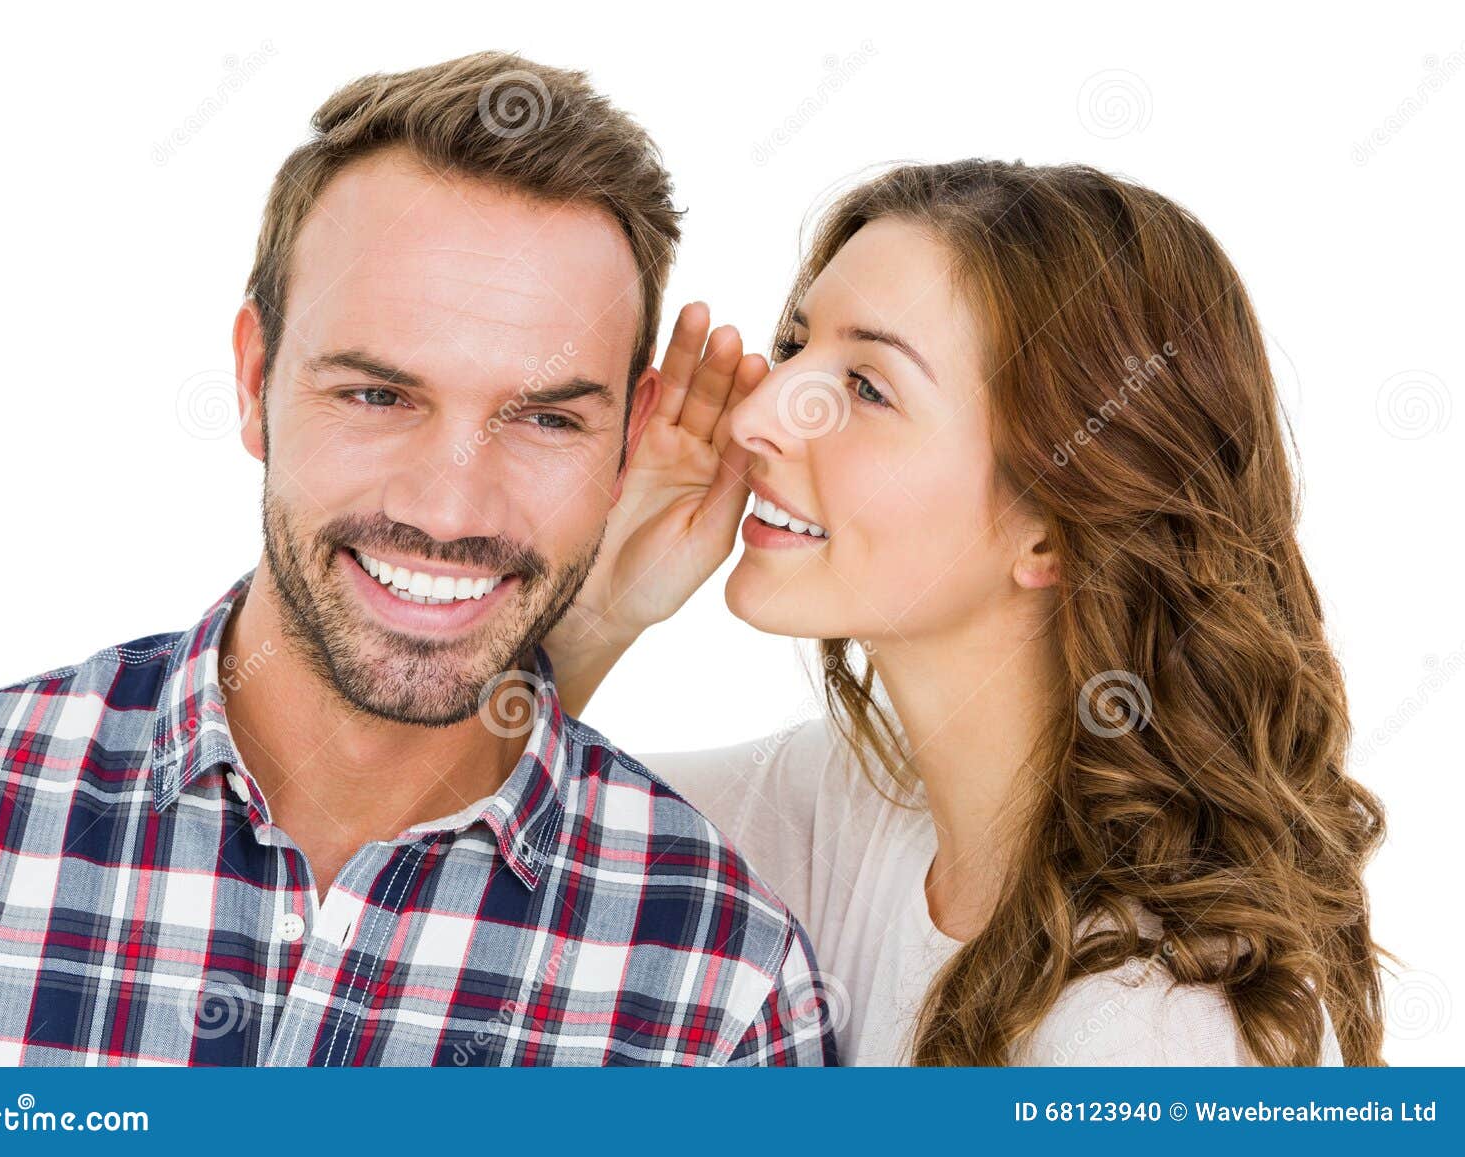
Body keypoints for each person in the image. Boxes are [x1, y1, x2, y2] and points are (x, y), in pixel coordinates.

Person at [0, 52, 834, 1068]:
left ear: (628, 441)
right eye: (379, 397)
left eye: (545, 418)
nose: (450, 506)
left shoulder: (721, 989)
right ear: (254, 379)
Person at [545, 159, 1386, 1066]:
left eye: (867, 387)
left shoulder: (1150, 1035)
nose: (760, 415)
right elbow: (469, 822)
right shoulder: (858, 806)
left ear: (1050, 531)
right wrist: (599, 610)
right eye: (795, 348)